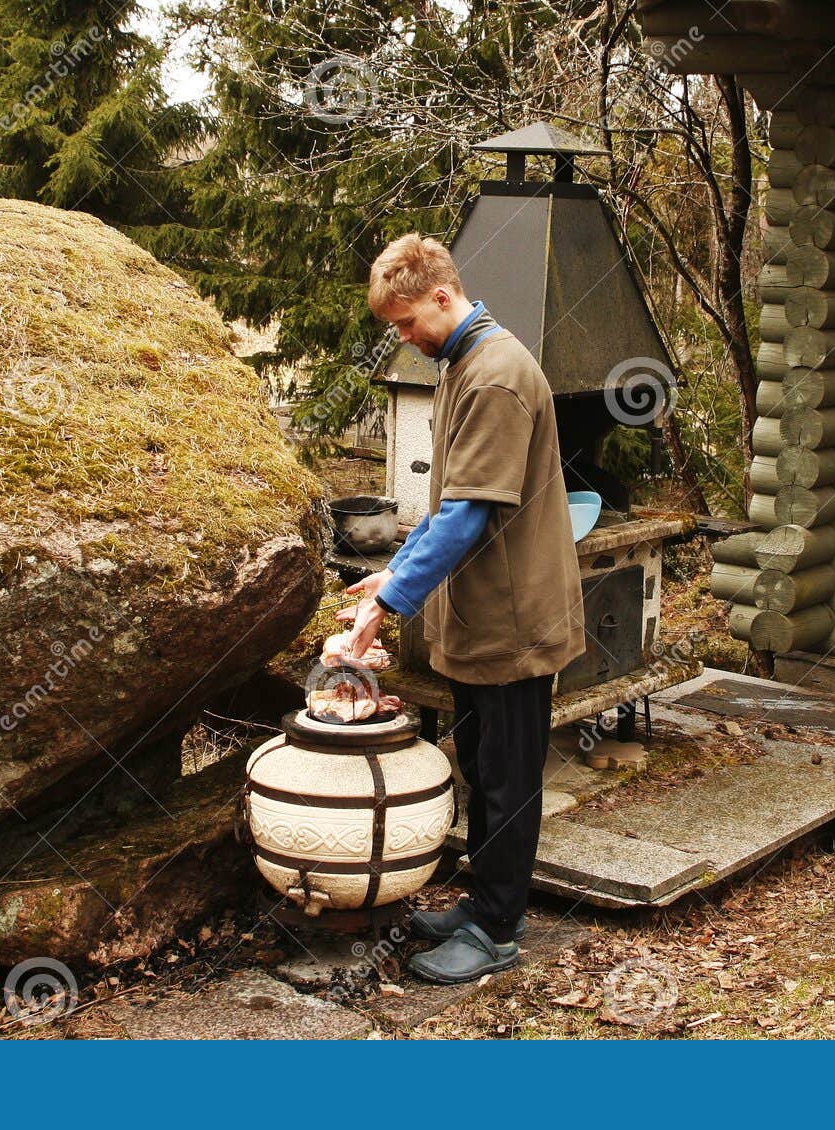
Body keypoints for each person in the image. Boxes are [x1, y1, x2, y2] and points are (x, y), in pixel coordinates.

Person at [338, 232, 586, 984]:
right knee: (482, 764)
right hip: (481, 615)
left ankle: (498, 931)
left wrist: (390, 596)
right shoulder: (462, 364)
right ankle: (482, 906)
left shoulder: (497, 375)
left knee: (509, 777)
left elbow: (468, 514)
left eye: (408, 321)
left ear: (443, 295)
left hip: (515, 620)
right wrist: (394, 571)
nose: (404, 339)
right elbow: (448, 505)